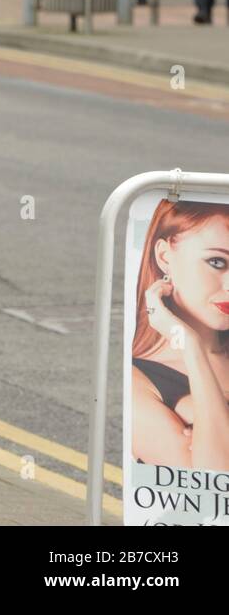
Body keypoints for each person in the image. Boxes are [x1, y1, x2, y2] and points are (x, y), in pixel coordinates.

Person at [131, 199, 229, 469]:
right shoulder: (136, 381)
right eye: (217, 262)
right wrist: (190, 347)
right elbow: (212, 479)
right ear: (164, 256)